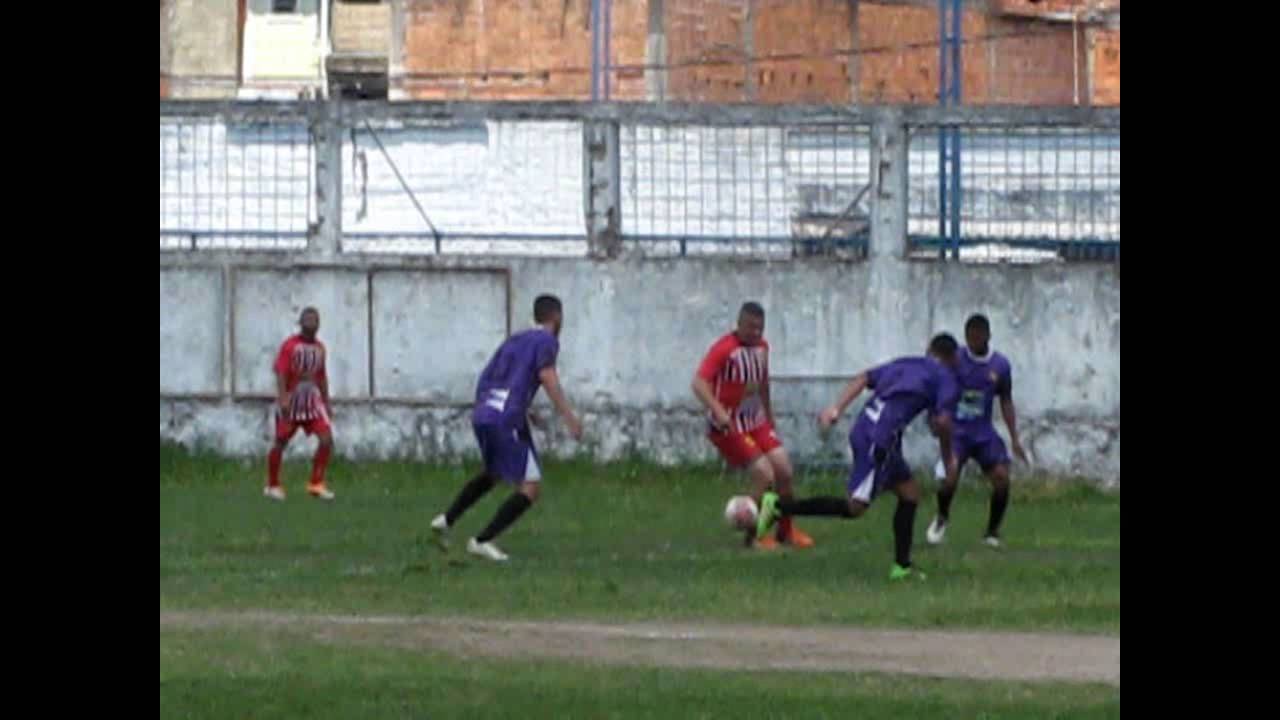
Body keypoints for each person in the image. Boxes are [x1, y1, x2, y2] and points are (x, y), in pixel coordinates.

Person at [756, 334, 963, 580]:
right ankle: (779, 506)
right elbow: (942, 422)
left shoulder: (908, 363)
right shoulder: (947, 378)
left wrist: (836, 408)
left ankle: (902, 567)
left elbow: (864, 377)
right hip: (880, 440)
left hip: (868, 428)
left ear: (929, 350)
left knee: (910, 493)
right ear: (953, 358)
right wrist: (948, 459)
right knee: (855, 507)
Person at [430, 295, 584, 562]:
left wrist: (520, 408)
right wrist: (569, 417)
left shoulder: (515, 340)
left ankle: (446, 519)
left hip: (484, 413)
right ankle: (482, 540)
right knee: (531, 486)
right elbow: (547, 376)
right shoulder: (548, 341)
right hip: (505, 419)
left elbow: (493, 378)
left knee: (493, 472)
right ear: (556, 317)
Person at [692, 302, 812, 550]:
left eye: (760, 328)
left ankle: (786, 531)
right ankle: (753, 535)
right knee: (764, 474)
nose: (755, 333)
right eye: (750, 327)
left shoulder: (762, 348)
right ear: (739, 324)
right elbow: (699, 383)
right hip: (729, 425)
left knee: (785, 471)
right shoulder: (724, 349)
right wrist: (718, 411)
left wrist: (768, 415)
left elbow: (763, 382)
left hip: (755, 421)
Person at [926, 314, 1029, 548]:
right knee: (949, 478)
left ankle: (992, 532)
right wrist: (935, 419)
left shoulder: (1000, 366)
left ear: (988, 337)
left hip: (983, 432)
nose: (972, 343)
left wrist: (1014, 437)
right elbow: (936, 381)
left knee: (1002, 478)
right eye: (969, 338)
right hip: (956, 432)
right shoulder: (955, 358)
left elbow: (1005, 400)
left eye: (977, 338)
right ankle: (942, 517)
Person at [264, 307, 335, 501]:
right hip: (293, 399)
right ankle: (272, 484)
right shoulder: (290, 346)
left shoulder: (320, 348)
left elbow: (321, 376)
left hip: (312, 400)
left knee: (326, 439)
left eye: (315, 319)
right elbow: (280, 371)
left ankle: (316, 483)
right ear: (301, 322)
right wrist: (283, 397)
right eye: (308, 319)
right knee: (280, 442)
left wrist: (326, 402)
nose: (312, 322)